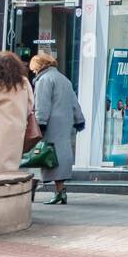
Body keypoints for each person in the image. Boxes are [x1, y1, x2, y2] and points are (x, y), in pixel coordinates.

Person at [30, 53, 85, 205]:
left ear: (39, 66)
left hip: (50, 124)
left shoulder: (44, 80)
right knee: (57, 158)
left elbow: (42, 104)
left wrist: (40, 124)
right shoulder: (64, 79)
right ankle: (60, 191)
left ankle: (30, 192)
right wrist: (79, 120)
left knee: (38, 156)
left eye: (34, 68)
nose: (33, 71)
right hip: (64, 124)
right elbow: (74, 102)